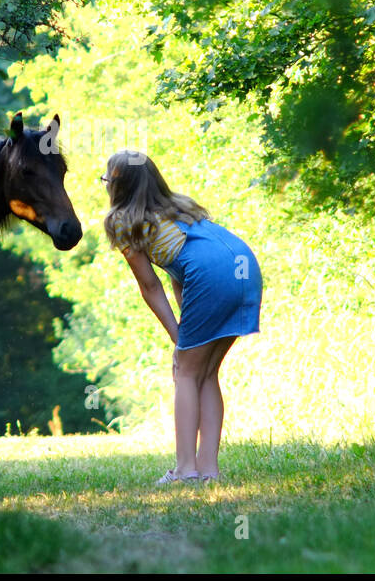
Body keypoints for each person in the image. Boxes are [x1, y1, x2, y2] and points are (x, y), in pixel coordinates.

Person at [102, 150, 262, 485]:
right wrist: (185, 335)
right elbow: (180, 274)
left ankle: (186, 470)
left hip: (211, 275)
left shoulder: (122, 222)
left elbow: (150, 287)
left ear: (116, 186)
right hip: (244, 269)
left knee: (186, 373)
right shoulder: (180, 206)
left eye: (105, 179)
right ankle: (208, 471)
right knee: (206, 373)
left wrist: (179, 339)